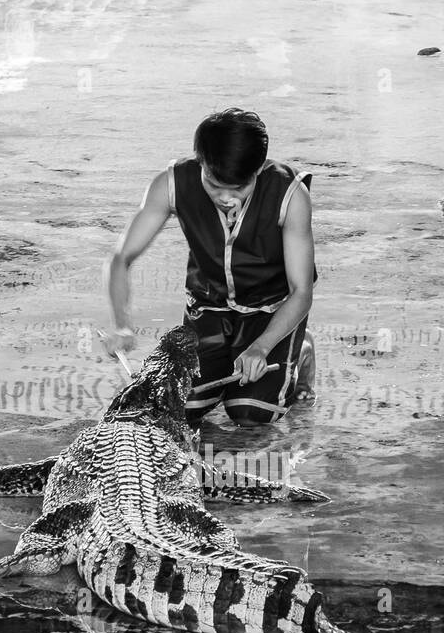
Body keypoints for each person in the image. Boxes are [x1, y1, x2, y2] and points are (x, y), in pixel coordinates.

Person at [105, 107, 315, 425]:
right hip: (208, 310)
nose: (227, 198)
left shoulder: (290, 194)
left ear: (259, 169)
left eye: (239, 189)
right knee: (174, 408)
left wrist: (261, 347)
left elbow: (301, 291)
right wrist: (121, 323)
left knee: (249, 412)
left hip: (271, 310)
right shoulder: (170, 184)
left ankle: (300, 347)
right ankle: (227, 355)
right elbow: (121, 258)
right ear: (200, 161)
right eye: (215, 185)